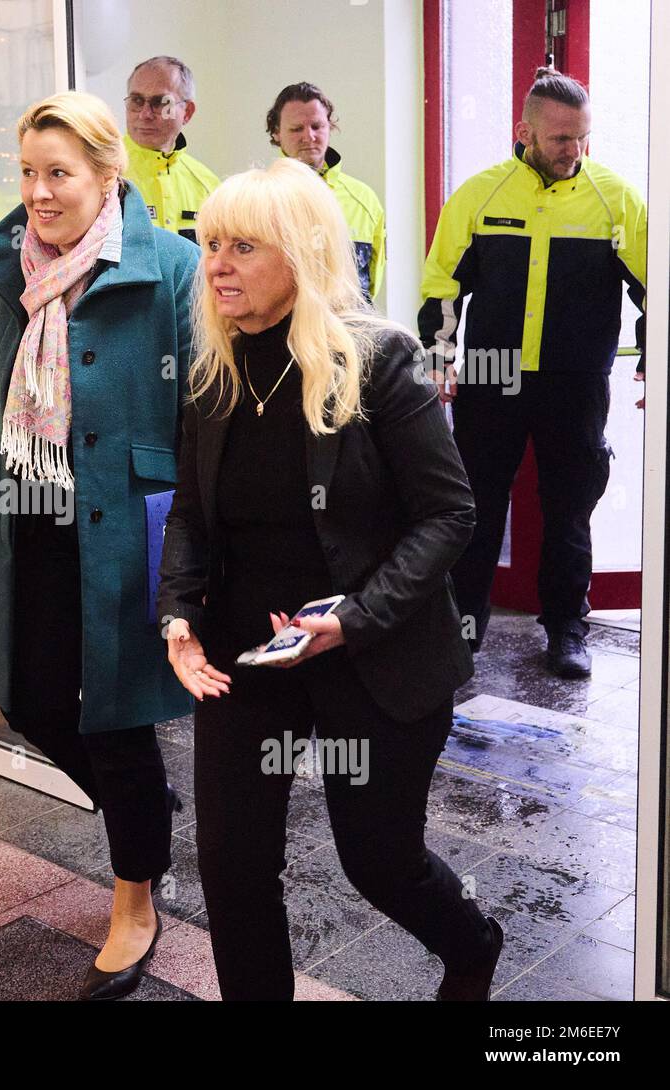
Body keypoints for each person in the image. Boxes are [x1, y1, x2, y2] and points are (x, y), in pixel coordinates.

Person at [156, 158, 503, 1001]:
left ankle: (472, 942)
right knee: (233, 870)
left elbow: (449, 515)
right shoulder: (213, 368)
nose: (217, 265)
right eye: (210, 245)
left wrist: (356, 616)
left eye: (244, 246)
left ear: (304, 253)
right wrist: (178, 616)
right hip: (250, 654)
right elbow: (193, 517)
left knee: (378, 861)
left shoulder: (379, 360)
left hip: (373, 652)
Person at [0, 91, 197, 1000]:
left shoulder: (171, 268)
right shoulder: (7, 270)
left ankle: (135, 901)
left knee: (118, 717)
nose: (39, 194)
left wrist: (196, 561)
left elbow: (200, 422)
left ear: (106, 175)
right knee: (29, 696)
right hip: (28, 515)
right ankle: (146, 818)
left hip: (127, 526)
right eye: (28, 173)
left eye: (60, 174)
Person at [420, 67, 647, 677]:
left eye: (581, 138)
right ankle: (462, 633)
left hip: (575, 386)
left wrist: (655, 361)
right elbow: (443, 287)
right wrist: (439, 358)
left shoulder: (614, 199)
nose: (573, 152)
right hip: (492, 381)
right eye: (560, 139)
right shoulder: (480, 194)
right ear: (525, 131)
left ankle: (567, 630)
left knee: (569, 508)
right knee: (475, 507)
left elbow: (656, 290)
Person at [266, 82, 385, 303]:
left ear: (330, 127)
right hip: (281, 333)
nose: (308, 136)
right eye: (296, 129)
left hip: (351, 331)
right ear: (277, 133)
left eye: (317, 126)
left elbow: (370, 283)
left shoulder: (364, 200)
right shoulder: (260, 199)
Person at [121, 56, 220, 242]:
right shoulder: (101, 172)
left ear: (187, 112)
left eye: (160, 103)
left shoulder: (208, 185)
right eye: (136, 101)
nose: (145, 114)